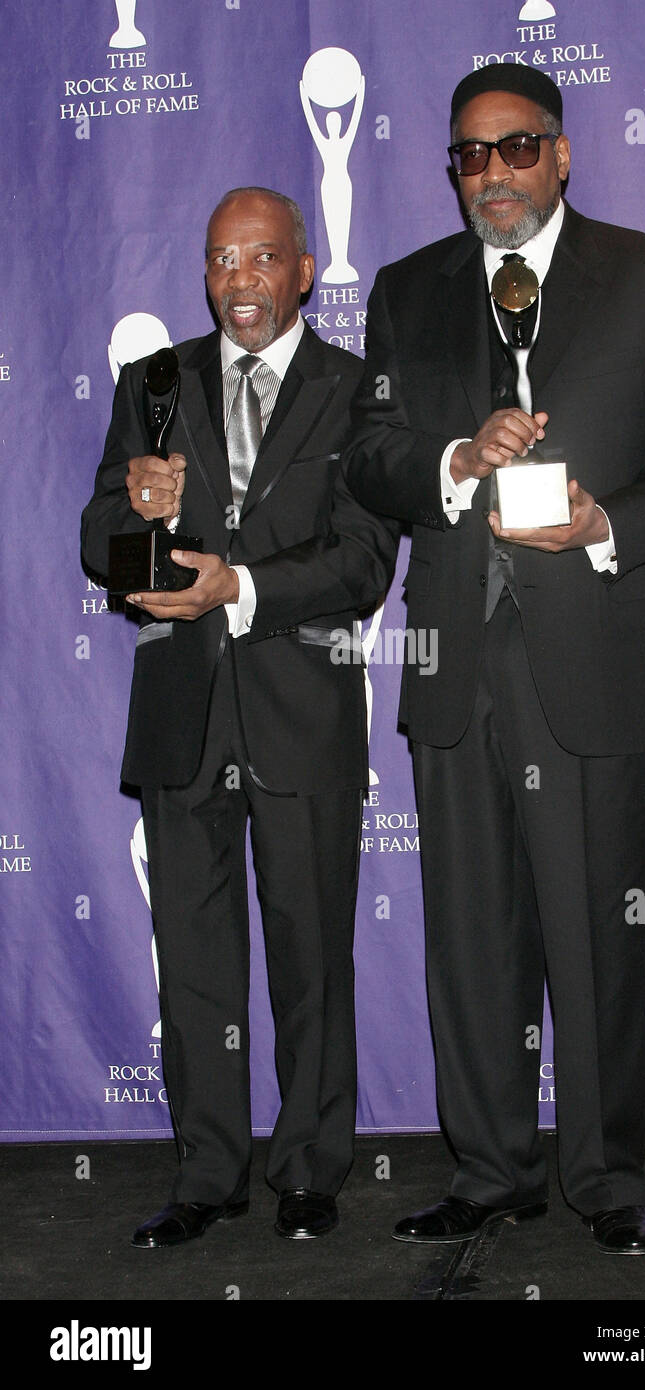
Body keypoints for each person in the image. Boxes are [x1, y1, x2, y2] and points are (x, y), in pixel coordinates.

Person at [345, 66, 645, 1253]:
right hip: (455, 656)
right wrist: (457, 458)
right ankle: (489, 1170)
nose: (494, 174)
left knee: (596, 937)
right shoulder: (409, 292)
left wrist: (601, 521)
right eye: (470, 155)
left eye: (517, 149)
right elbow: (370, 456)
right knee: (471, 940)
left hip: (595, 653)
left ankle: (609, 1177)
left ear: (562, 156)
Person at [81, 187, 397, 1248]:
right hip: (182, 718)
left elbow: (363, 558)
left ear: (304, 271)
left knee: (312, 953)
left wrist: (242, 588)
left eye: (263, 259)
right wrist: (141, 516)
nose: (241, 281)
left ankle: (310, 1170)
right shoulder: (153, 384)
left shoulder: (357, 391)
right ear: (205, 273)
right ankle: (209, 1171)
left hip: (302, 716)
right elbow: (100, 545)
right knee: (200, 958)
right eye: (222, 260)